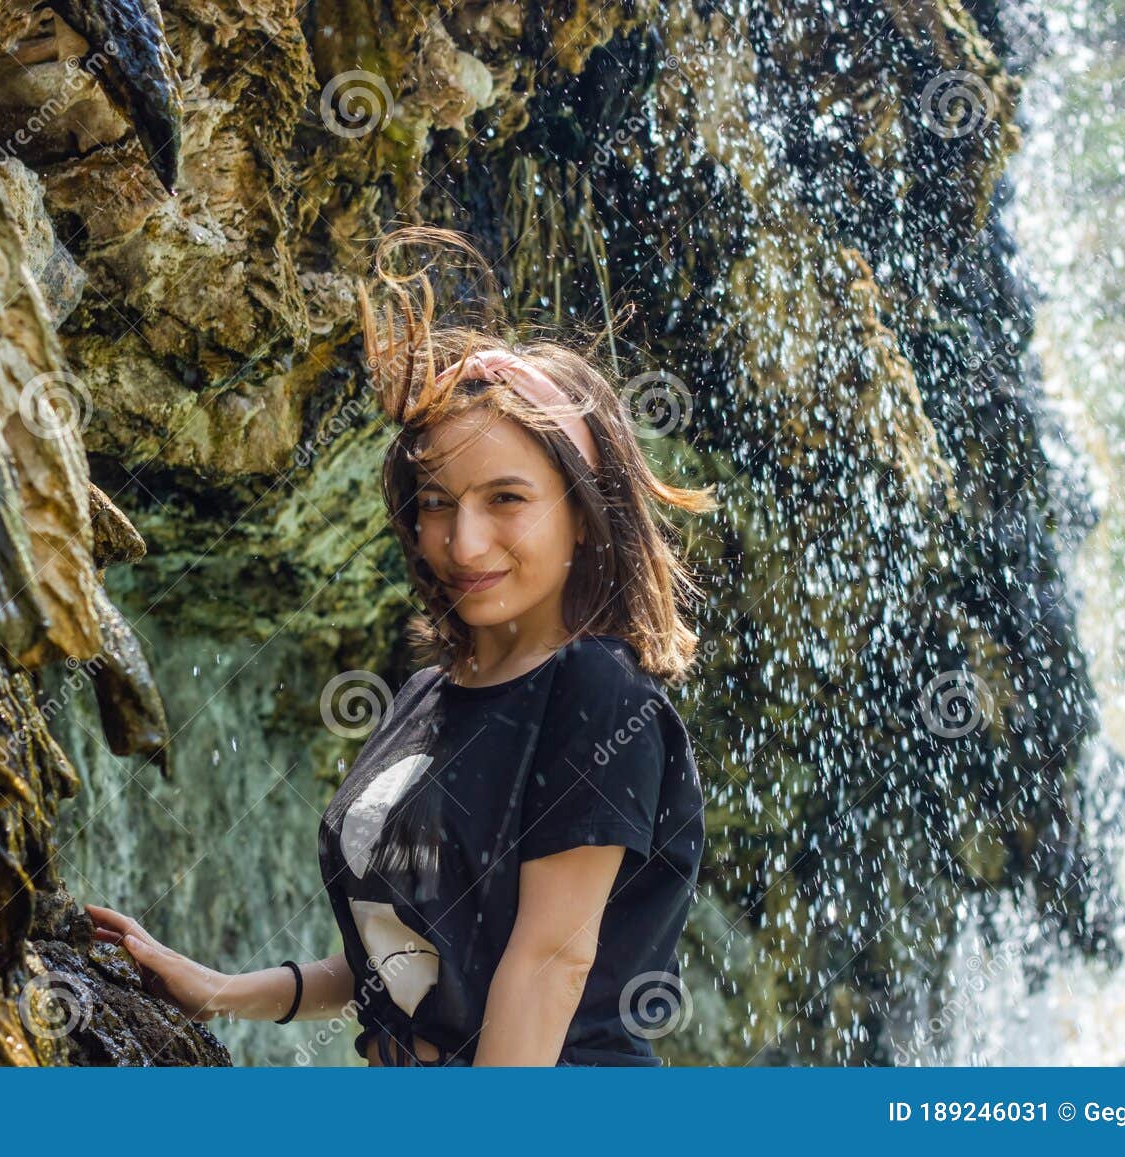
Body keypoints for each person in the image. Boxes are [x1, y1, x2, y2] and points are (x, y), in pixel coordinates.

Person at [87, 225, 719, 1066]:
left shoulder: (598, 693)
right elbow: (397, 957)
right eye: (434, 501)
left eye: (506, 498)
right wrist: (217, 988)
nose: (462, 541)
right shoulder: (426, 696)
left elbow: (549, 964)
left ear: (583, 508)